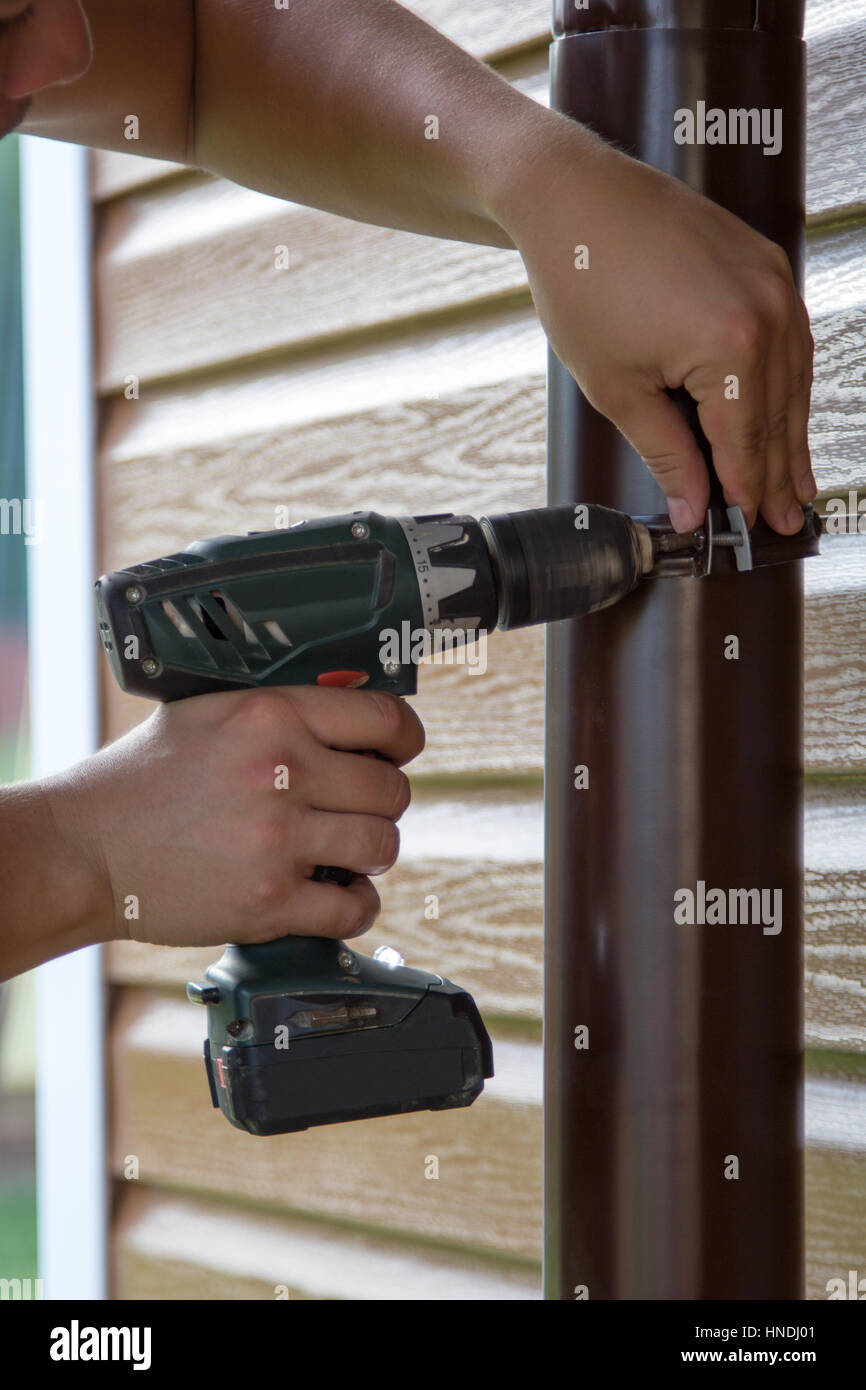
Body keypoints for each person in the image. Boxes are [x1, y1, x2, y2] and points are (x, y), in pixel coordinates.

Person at [0, 0, 816, 979]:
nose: (66, 51)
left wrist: (538, 181)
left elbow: (199, 57)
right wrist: (87, 851)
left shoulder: (64, 46)